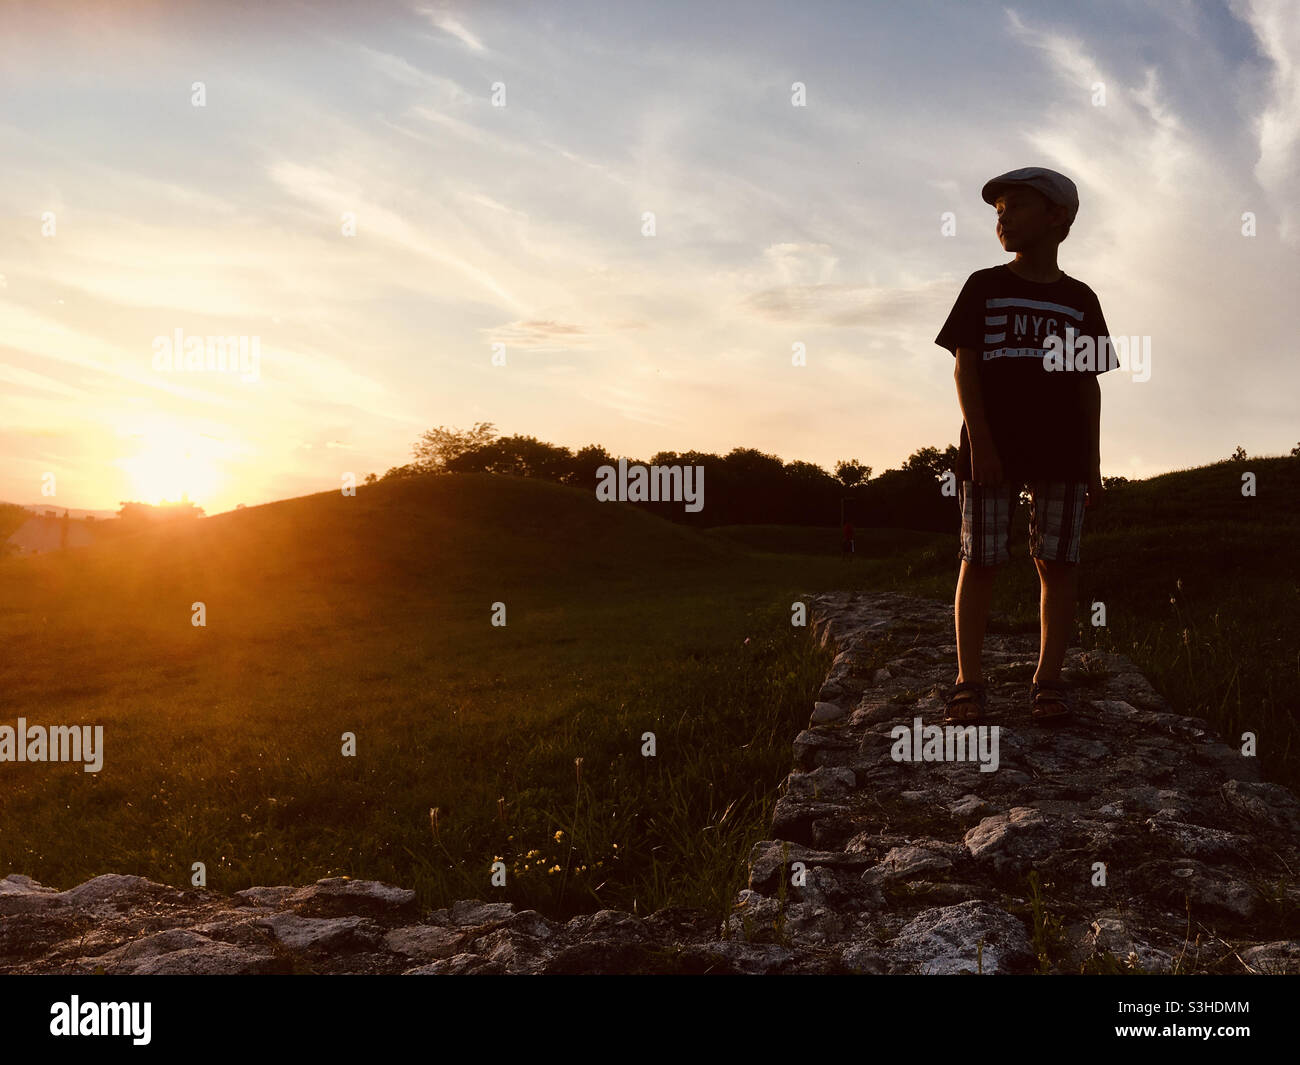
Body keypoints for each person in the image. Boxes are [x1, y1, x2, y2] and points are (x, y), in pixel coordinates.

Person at [933, 167, 1117, 724]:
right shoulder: (984, 287)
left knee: (1057, 561)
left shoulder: (1081, 299)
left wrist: (1093, 465)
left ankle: (1049, 681)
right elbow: (966, 368)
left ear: (1057, 218)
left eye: (1014, 207)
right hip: (992, 446)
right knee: (981, 558)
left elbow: (1088, 385)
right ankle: (969, 680)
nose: (1002, 218)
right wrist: (982, 445)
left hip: (1061, 449)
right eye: (997, 211)